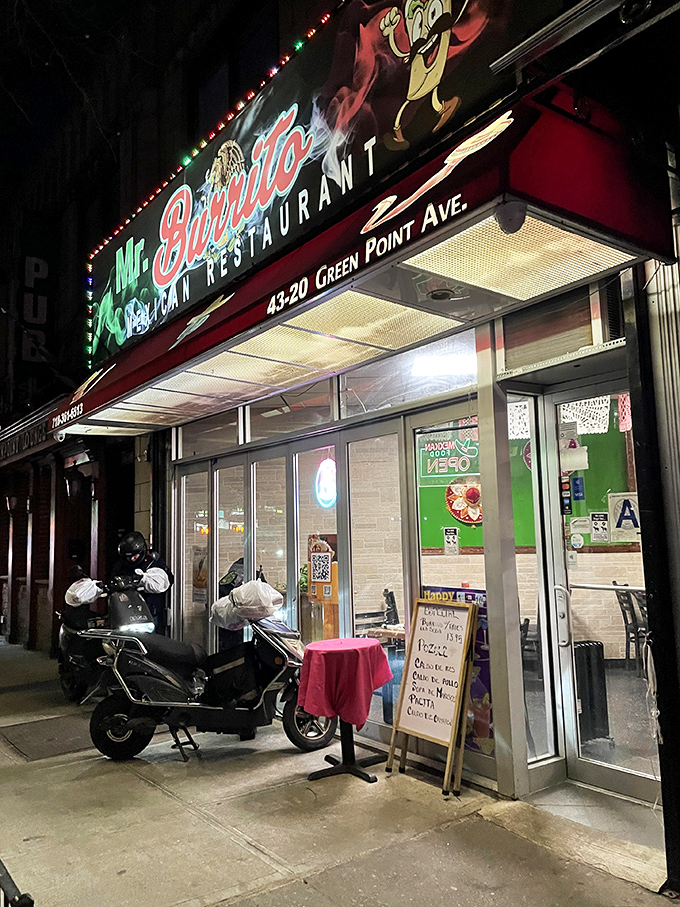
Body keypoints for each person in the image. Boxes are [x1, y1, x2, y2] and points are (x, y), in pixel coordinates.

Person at [110, 530, 173, 634]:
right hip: (125, 613)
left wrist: (138, 579)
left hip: (149, 613)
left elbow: (162, 582)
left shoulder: (152, 564)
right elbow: (112, 582)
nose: (131, 559)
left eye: (134, 556)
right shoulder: (121, 565)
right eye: (128, 557)